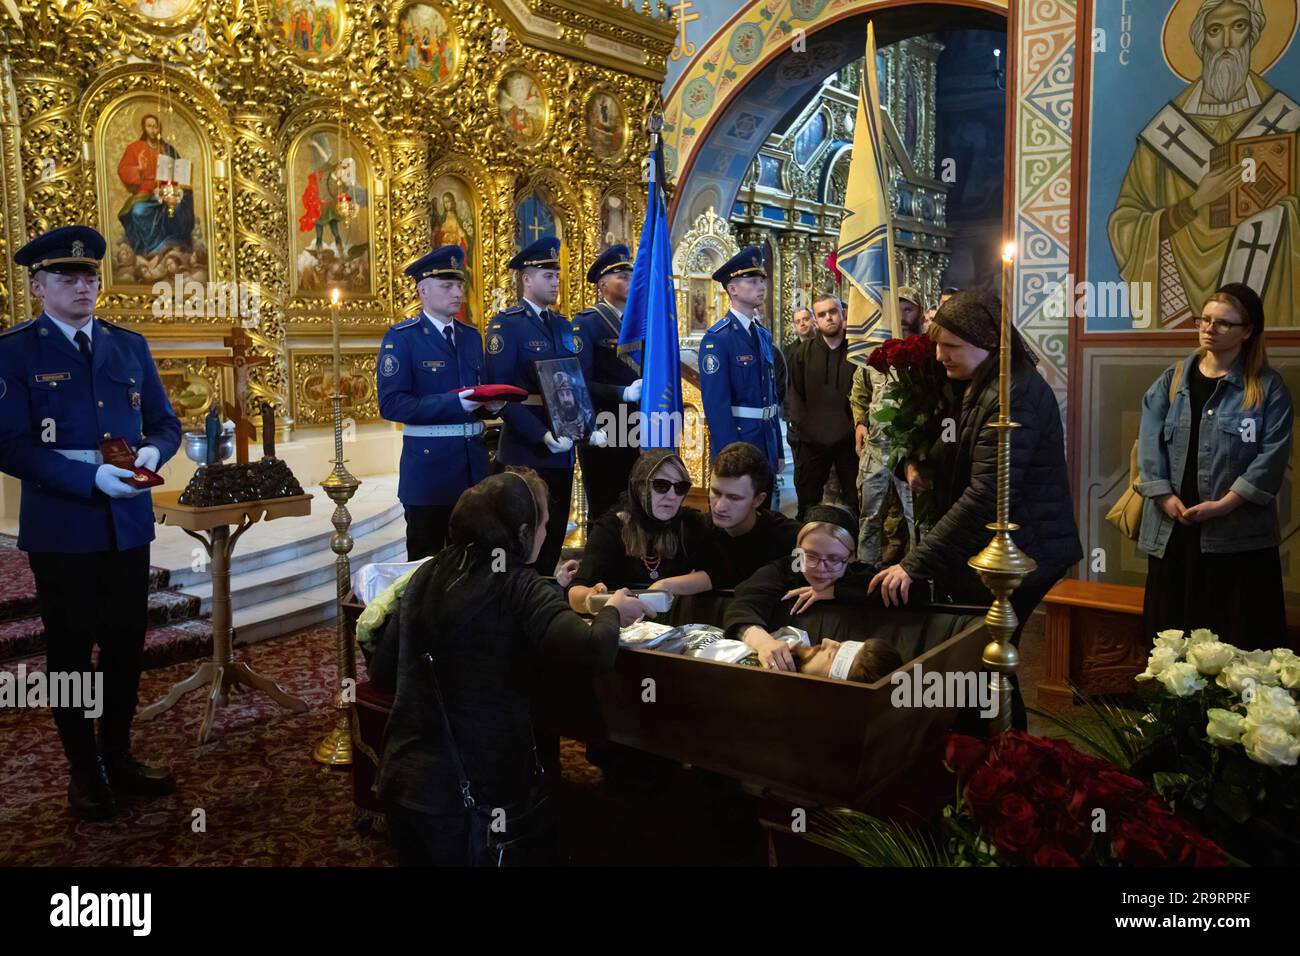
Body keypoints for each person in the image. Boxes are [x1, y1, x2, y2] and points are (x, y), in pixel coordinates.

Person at [375, 469, 649, 866]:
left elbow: (383, 673)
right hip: (471, 793)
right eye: (542, 526)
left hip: (402, 780)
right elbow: (591, 652)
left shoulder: (427, 573)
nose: (543, 535)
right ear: (523, 530)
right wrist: (612, 611)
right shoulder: (518, 585)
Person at [0, 225, 183, 820]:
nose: (83, 286)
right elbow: (9, 445)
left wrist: (153, 453)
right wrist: (86, 479)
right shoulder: (15, 351)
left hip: (127, 523)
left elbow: (164, 423)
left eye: (90, 276)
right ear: (38, 286)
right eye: (67, 277)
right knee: (71, 652)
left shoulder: (128, 346)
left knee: (127, 645)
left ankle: (118, 753)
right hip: (63, 525)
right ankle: (84, 769)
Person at [869, 292, 1083, 728]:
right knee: (981, 661)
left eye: (950, 347)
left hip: (1024, 549)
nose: (939, 355)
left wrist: (916, 563)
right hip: (1007, 545)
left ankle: (1004, 759)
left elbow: (989, 494)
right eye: (936, 343)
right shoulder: (983, 381)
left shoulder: (1012, 394)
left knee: (987, 660)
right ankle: (986, 755)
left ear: (987, 344)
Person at [1137, 283, 1293, 649]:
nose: (1210, 328)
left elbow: (1272, 455)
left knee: (1234, 639)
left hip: (1237, 538)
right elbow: (1148, 443)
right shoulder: (1172, 381)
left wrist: (1226, 504)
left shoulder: (1268, 389)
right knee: (1172, 639)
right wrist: (1161, 495)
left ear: (1248, 331)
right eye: (1204, 319)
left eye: (1224, 323)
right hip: (1174, 531)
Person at [484, 237, 606, 574]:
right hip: (526, 451)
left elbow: (574, 385)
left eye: (557, 274)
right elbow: (500, 396)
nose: (556, 281)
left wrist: (589, 427)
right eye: (547, 275)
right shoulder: (507, 325)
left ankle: (546, 604)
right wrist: (542, 436)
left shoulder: (563, 325)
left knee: (552, 537)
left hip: (564, 448)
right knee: (519, 538)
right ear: (526, 278)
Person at [378, 245, 503, 560]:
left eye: (459, 284)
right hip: (429, 472)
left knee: (475, 563)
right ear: (422, 290)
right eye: (447, 286)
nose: (457, 292)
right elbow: (392, 405)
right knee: (426, 566)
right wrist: (455, 404)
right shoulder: (403, 338)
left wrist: (493, 404)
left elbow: (479, 389)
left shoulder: (470, 336)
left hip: (474, 467)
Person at [724, 505, 916, 670]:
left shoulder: (858, 575)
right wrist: (763, 642)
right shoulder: (784, 570)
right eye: (811, 556)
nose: (820, 568)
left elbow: (917, 592)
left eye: (833, 559)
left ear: (850, 557)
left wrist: (835, 591)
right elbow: (742, 605)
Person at [567, 449, 723, 612]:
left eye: (680, 487)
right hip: (622, 624)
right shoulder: (611, 528)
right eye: (661, 485)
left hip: (675, 625)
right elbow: (575, 591)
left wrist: (666, 586)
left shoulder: (689, 523)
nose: (672, 496)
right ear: (640, 488)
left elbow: (720, 572)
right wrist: (592, 599)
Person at [698, 247, 782, 502]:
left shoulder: (763, 335)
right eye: (752, 281)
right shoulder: (718, 339)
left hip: (765, 442)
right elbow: (716, 406)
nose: (761, 286)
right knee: (736, 515)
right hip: (740, 440)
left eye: (762, 280)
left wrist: (777, 447)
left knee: (765, 513)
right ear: (732, 289)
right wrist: (731, 455)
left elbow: (772, 397)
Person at [852, 286, 927, 567]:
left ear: (919, 312)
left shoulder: (927, 354)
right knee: (869, 515)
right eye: (898, 310)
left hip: (910, 452)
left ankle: (918, 576)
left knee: (915, 519)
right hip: (875, 449)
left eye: (909, 309)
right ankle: (864, 573)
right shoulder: (876, 354)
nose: (903, 316)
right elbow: (859, 392)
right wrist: (860, 422)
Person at [572, 244, 642, 527]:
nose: (629, 280)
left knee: (636, 504)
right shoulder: (588, 323)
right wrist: (622, 393)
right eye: (621, 275)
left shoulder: (640, 323)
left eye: (630, 274)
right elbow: (579, 382)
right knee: (605, 507)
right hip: (604, 425)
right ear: (603, 284)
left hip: (637, 424)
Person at [788, 294, 858, 519]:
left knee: (854, 501)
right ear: (815, 321)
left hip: (849, 441)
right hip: (811, 441)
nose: (829, 318)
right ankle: (803, 552)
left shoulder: (857, 351)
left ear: (842, 313)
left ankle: (850, 551)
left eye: (833, 312)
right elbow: (794, 394)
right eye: (822, 314)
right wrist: (804, 429)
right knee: (807, 503)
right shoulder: (802, 353)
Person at [708, 441, 801, 588]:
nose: (719, 507)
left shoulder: (790, 539)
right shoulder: (697, 530)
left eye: (734, 498)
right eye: (716, 492)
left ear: (758, 500)